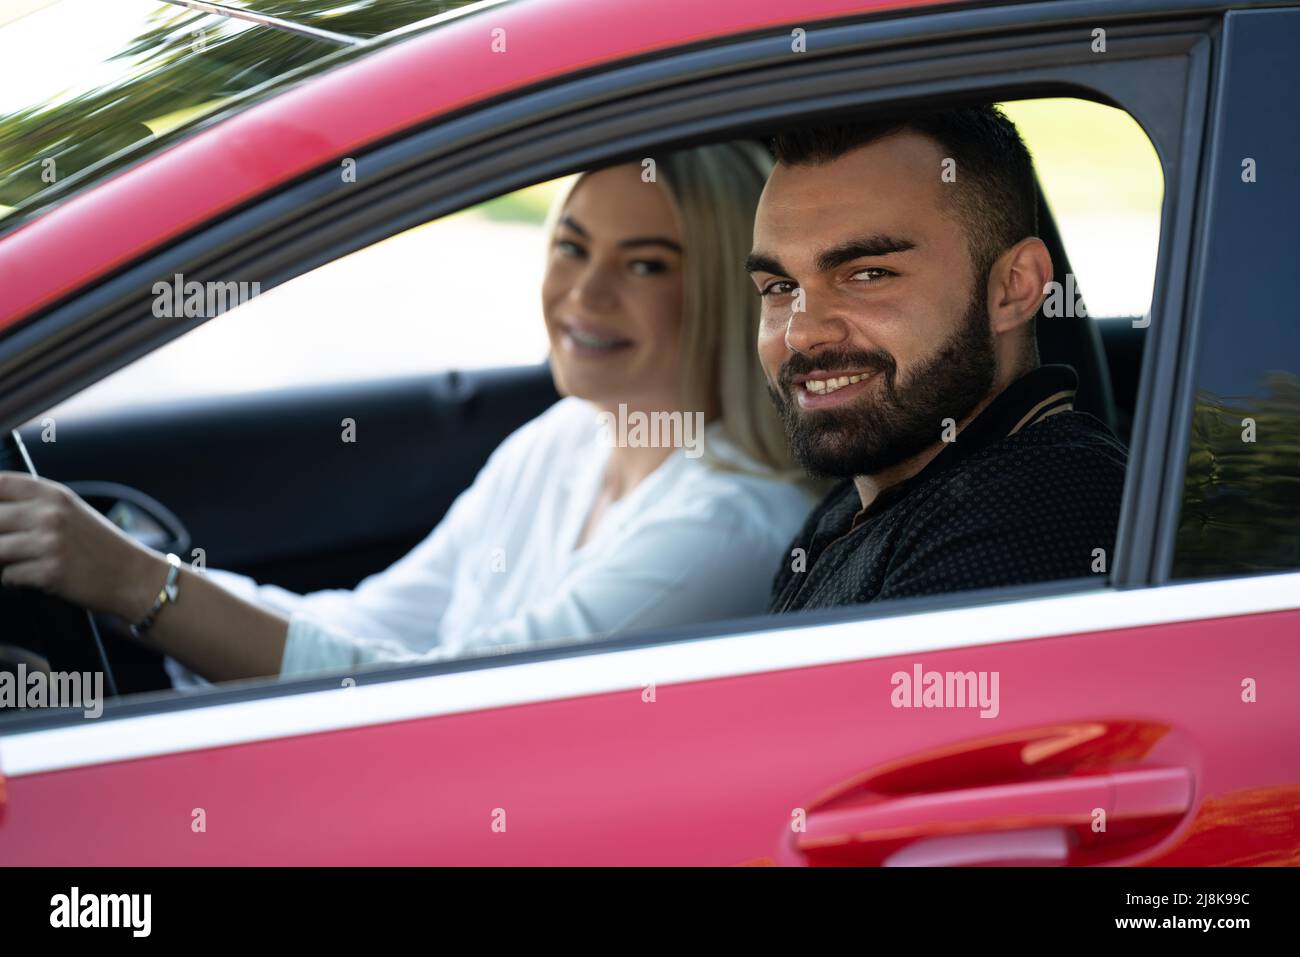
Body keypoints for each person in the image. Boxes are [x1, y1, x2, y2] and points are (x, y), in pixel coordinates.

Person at [0, 142, 816, 682]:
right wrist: (138, 578)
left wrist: (137, 583)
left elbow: (432, 692)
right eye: (570, 246)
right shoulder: (566, 437)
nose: (584, 293)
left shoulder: (725, 526)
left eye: (644, 265)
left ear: (718, 291)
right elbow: (373, 621)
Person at [745, 105, 1128, 613]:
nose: (801, 332)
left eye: (868, 275)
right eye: (780, 286)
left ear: (1014, 287)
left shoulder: (1033, 512)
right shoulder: (861, 500)